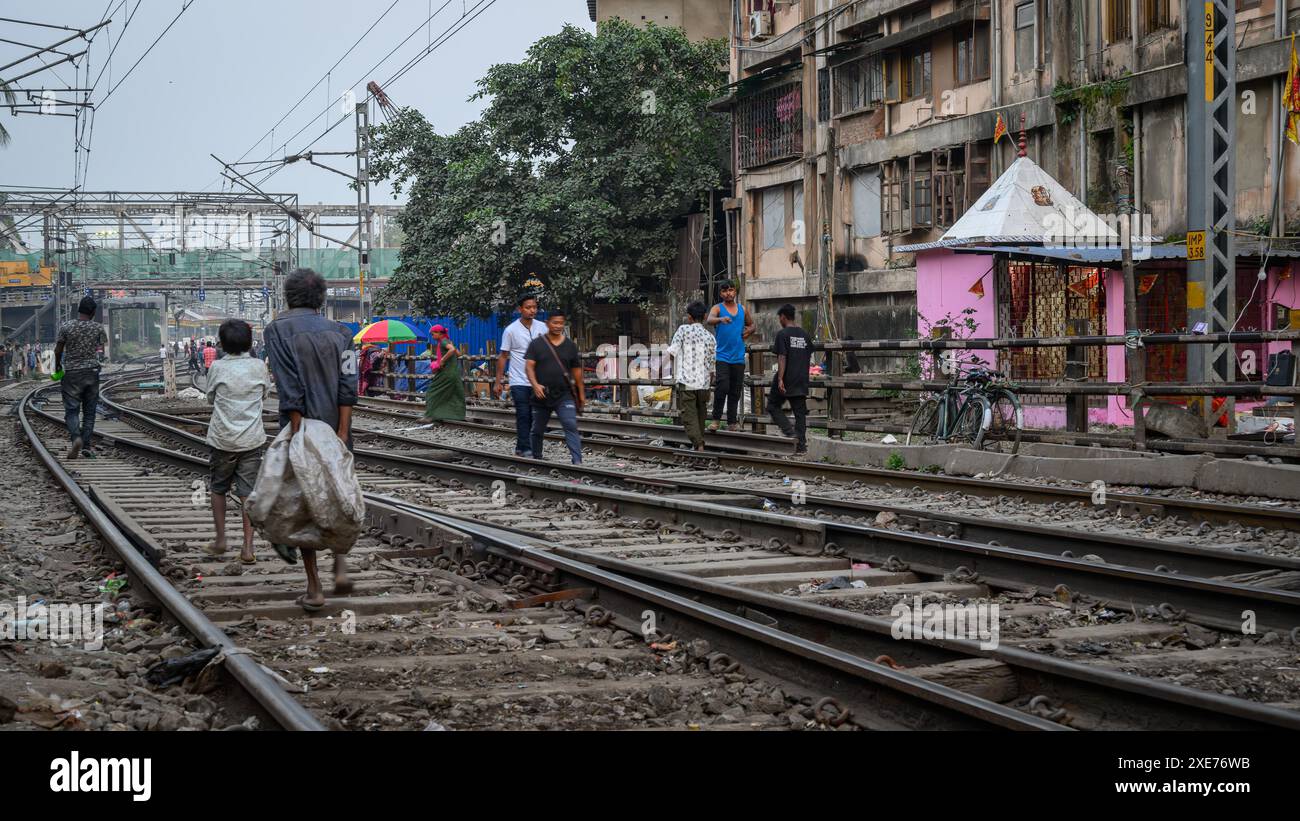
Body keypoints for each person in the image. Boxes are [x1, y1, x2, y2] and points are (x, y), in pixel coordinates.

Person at [263, 267, 358, 612]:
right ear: (322, 298)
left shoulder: (277, 331)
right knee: (338, 494)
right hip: (337, 428)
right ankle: (341, 571)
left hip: (299, 427)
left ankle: (315, 587)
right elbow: (349, 384)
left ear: (288, 297)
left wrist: (299, 434)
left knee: (305, 505)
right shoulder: (343, 333)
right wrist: (343, 435)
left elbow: (290, 389)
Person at [203, 319, 270, 564]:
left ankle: (220, 539)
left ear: (222, 343)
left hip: (222, 439)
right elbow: (265, 393)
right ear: (249, 342)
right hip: (252, 439)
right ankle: (248, 547)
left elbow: (210, 398)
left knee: (218, 489)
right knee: (247, 493)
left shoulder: (217, 368)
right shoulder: (259, 367)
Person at [524, 309, 584, 465]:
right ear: (547, 323)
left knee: (570, 424)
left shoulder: (570, 346)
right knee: (537, 429)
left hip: (563, 394)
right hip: (541, 394)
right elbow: (529, 367)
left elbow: (577, 373)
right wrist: (535, 385)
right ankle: (536, 458)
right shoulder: (536, 344)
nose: (558, 326)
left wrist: (581, 394)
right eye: (555, 323)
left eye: (561, 323)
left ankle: (577, 461)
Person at [54, 296, 108, 460]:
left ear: (78, 310)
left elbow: (58, 350)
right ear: (93, 312)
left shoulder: (66, 326)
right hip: (91, 373)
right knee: (90, 413)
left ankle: (75, 438)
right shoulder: (98, 328)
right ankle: (86, 446)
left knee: (72, 410)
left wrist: (58, 366)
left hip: (71, 374)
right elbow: (102, 348)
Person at [494, 295, 546, 457]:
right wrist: (498, 381)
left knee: (536, 416)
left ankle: (523, 447)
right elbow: (503, 356)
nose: (532, 310)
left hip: (538, 381)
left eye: (534, 307)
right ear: (520, 309)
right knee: (523, 414)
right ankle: (526, 448)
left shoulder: (543, 328)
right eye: (528, 307)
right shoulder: (510, 330)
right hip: (519, 380)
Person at [666, 301, 716, 451]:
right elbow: (713, 362)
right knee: (701, 413)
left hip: (687, 380)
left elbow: (672, 352)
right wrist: (710, 378)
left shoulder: (683, 330)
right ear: (705, 316)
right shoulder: (710, 337)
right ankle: (699, 442)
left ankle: (698, 444)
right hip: (704, 382)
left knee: (689, 414)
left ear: (689, 317)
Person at [706, 280, 755, 431]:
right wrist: (720, 319)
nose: (728, 293)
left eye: (731, 290)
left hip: (738, 357)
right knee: (722, 387)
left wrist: (748, 331)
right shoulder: (718, 308)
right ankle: (715, 420)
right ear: (720, 293)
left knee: (735, 391)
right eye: (725, 291)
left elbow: (752, 324)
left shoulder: (742, 309)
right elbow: (709, 319)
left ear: (735, 292)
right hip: (722, 356)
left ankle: (732, 422)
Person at [769, 303, 812, 455]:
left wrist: (780, 378)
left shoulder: (783, 334)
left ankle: (789, 432)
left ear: (783, 317)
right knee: (800, 413)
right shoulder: (805, 335)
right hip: (802, 378)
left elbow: (782, 357)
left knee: (773, 406)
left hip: (787, 377)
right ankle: (801, 446)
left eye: (779, 318)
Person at [422, 325, 466, 421]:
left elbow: (452, 350)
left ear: (439, 333)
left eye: (433, 334)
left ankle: (430, 416)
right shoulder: (448, 341)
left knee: (432, 392)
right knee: (454, 394)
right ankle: (457, 416)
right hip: (454, 372)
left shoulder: (443, 341)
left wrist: (442, 360)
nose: (432, 337)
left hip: (446, 372)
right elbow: (458, 353)